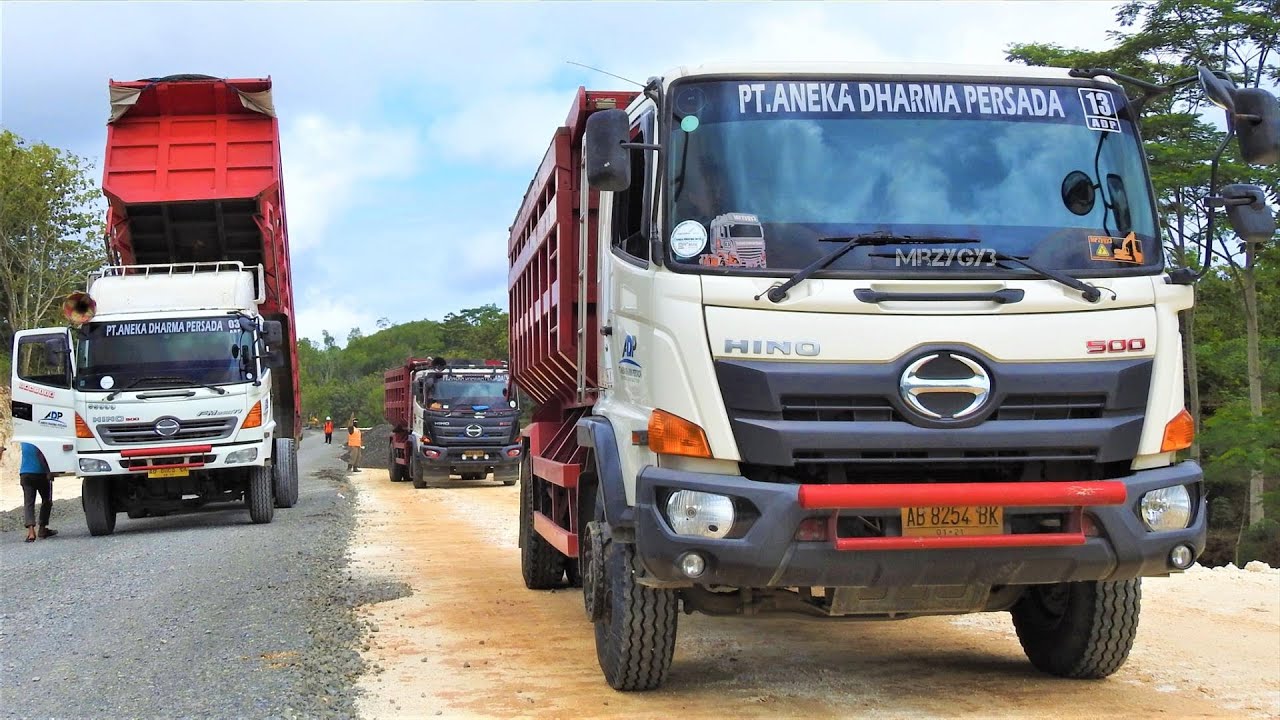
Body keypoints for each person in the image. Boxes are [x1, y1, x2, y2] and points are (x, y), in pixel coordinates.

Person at [18, 442, 57, 543]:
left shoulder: (23, 440)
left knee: (29, 503)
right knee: (46, 500)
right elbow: (41, 455)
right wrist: (49, 471)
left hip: (25, 473)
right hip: (40, 473)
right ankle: (42, 529)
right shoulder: (40, 439)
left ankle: (31, 532)